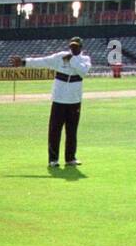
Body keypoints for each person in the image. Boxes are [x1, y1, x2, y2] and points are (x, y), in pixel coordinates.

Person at [9, 36, 91, 167]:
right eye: (71, 46)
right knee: (55, 130)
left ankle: (70, 158)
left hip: (74, 100)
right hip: (59, 98)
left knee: (72, 130)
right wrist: (24, 62)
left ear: (81, 48)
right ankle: (53, 159)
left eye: (76, 47)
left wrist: (73, 60)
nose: (73, 49)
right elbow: (43, 61)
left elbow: (83, 72)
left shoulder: (85, 59)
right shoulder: (60, 56)